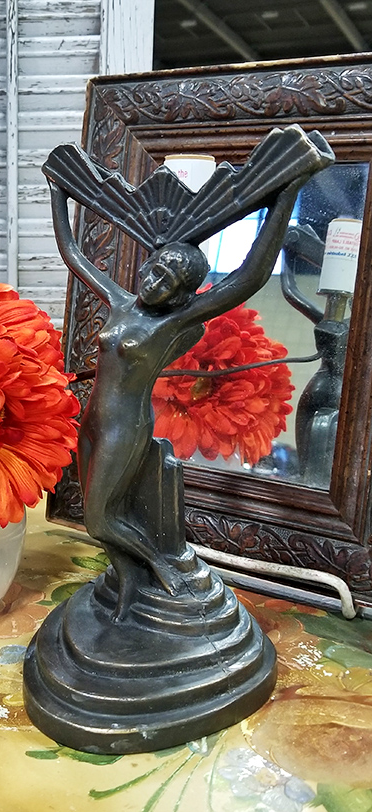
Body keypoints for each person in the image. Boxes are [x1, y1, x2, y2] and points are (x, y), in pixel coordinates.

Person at [45, 129, 334, 620]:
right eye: (154, 269)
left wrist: (286, 196)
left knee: (99, 519)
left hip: (125, 427)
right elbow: (73, 254)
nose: (152, 281)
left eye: (167, 281)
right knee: (105, 513)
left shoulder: (172, 322)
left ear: (183, 294)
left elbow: (250, 276)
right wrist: (58, 193)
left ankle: (163, 567)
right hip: (90, 420)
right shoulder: (120, 302)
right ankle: (129, 586)